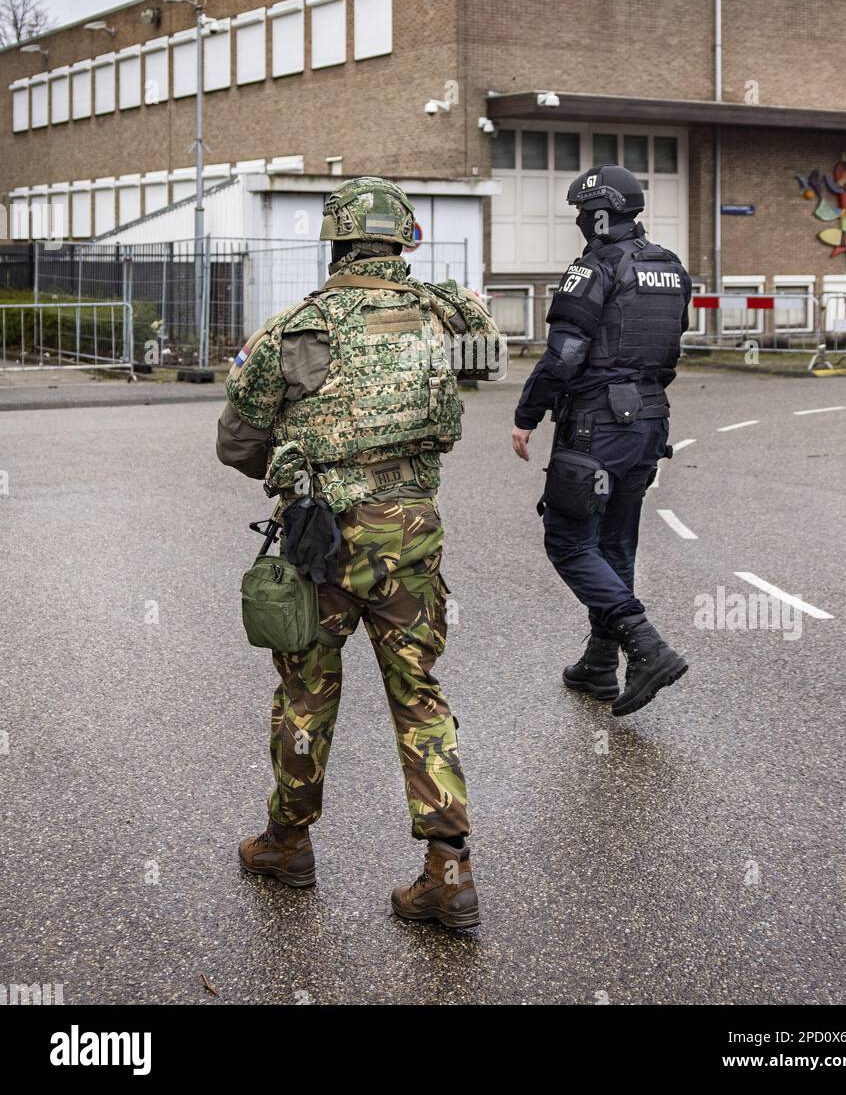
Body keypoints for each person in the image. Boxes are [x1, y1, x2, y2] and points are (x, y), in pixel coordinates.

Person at [217, 176, 503, 928]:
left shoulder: (295, 329)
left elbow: (236, 445)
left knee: (307, 691)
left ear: (335, 241)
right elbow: (487, 359)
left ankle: (286, 843)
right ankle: (449, 871)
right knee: (418, 692)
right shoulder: (443, 316)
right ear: (404, 240)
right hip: (412, 529)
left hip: (324, 536)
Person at [511, 163, 691, 716]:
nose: (580, 224)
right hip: (650, 422)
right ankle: (598, 664)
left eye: (582, 214)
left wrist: (528, 412)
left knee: (566, 540)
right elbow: (669, 349)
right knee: (615, 544)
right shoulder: (671, 267)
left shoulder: (592, 270)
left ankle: (645, 644)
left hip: (597, 424)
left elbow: (565, 355)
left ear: (600, 215)